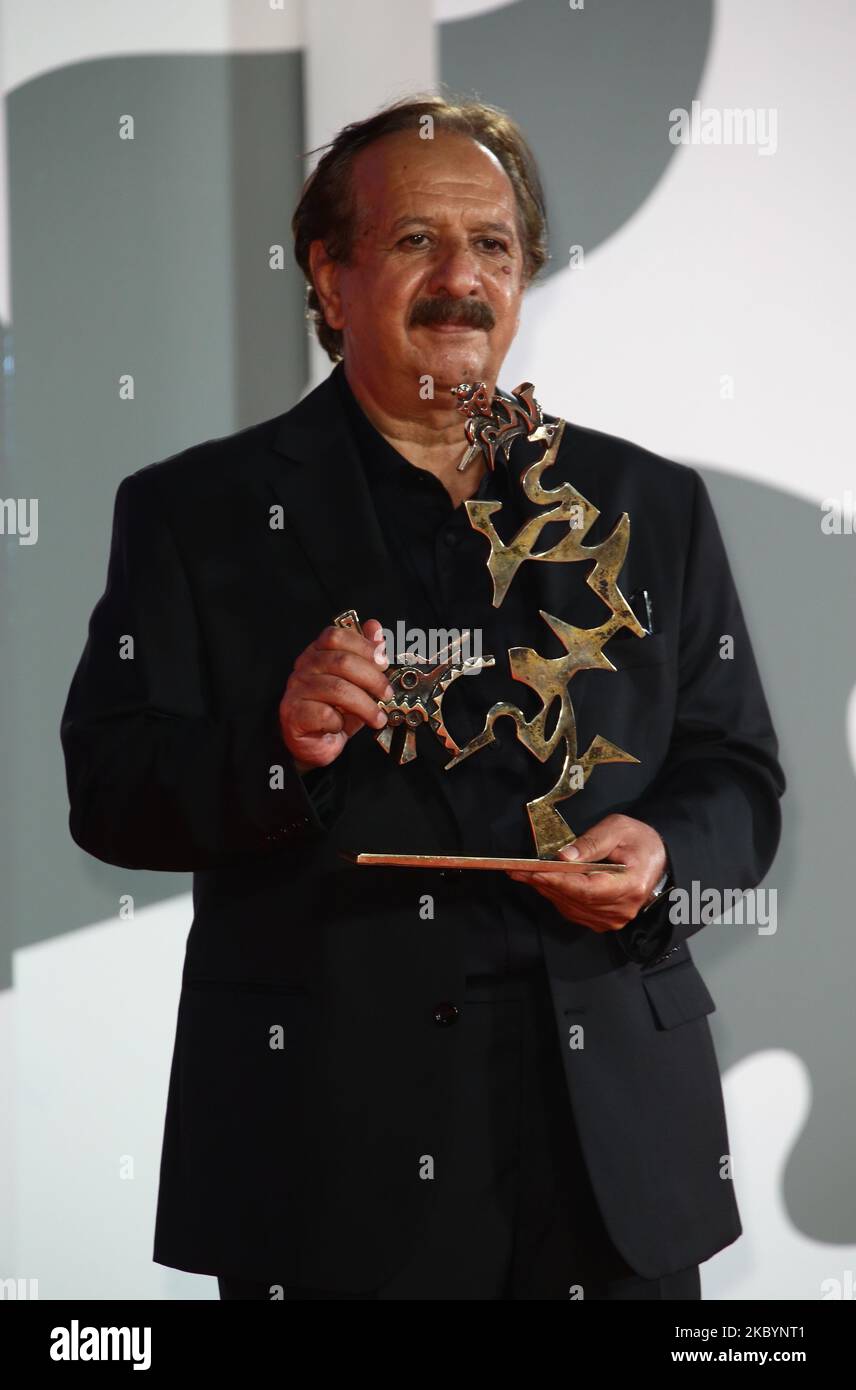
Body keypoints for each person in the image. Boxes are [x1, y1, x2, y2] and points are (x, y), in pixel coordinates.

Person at [60, 95, 785, 1300]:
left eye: (492, 246)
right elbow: (111, 791)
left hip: (605, 1145)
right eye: (413, 242)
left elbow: (738, 774)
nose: (461, 278)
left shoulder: (646, 505)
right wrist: (280, 745)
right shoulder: (196, 512)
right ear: (330, 276)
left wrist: (659, 846)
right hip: (327, 1152)